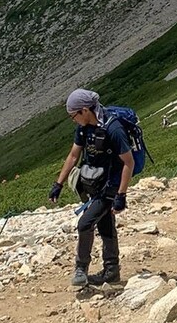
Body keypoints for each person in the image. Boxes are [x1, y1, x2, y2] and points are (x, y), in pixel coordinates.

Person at [48, 88, 134, 288]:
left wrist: (121, 195)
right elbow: (73, 156)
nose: (73, 120)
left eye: (73, 115)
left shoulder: (114, 129)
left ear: (85, 110)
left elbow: (128, 162)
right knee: (105, 225)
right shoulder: (83, 128)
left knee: (85, 224)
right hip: (94, 183)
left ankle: (81, 268)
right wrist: (58, 184)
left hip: (110, 186)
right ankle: (112, 271)